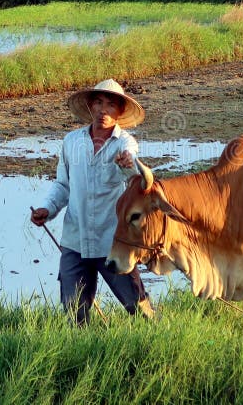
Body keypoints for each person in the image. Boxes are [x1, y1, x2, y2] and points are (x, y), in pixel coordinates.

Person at [30, 79, 154, 326]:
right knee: (74, 312)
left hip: (112, 242)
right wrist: (47, 208)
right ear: (90, 106)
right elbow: (63, 186)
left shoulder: (124, 144)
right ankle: (84, 352)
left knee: (138, 307)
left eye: (110, 104)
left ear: (119, 112)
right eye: (98, 102)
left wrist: (128, 165)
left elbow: (136, 179)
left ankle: (156, 342)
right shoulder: (72, 142)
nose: (103, 110)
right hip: (75, 241)